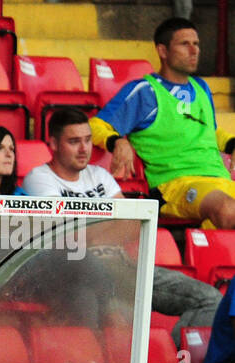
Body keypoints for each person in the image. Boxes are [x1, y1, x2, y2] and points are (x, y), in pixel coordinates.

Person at [23, 106, 220, 347]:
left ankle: (168, 357)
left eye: (87, 140)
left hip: (125, 266)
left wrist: (92, 230)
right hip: (78, 272)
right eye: (74, 142)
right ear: (53, 144)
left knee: (211, 299)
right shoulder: (39, 178)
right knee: (115, 322)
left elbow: (133, 225)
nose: (84, 149)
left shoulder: (99, 175)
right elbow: (66, 236)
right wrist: (109, 225)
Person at [92, 18, 235, 229]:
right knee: (227, 209)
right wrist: (116, 142)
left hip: (221, 181)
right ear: (162, 51)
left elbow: (210, 131)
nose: (194, 50)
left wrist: (231, 144)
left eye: (196, 44)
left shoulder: (201, 87)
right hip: (177, 185)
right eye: (184, 44)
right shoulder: (145, 91)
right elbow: (94, 125)